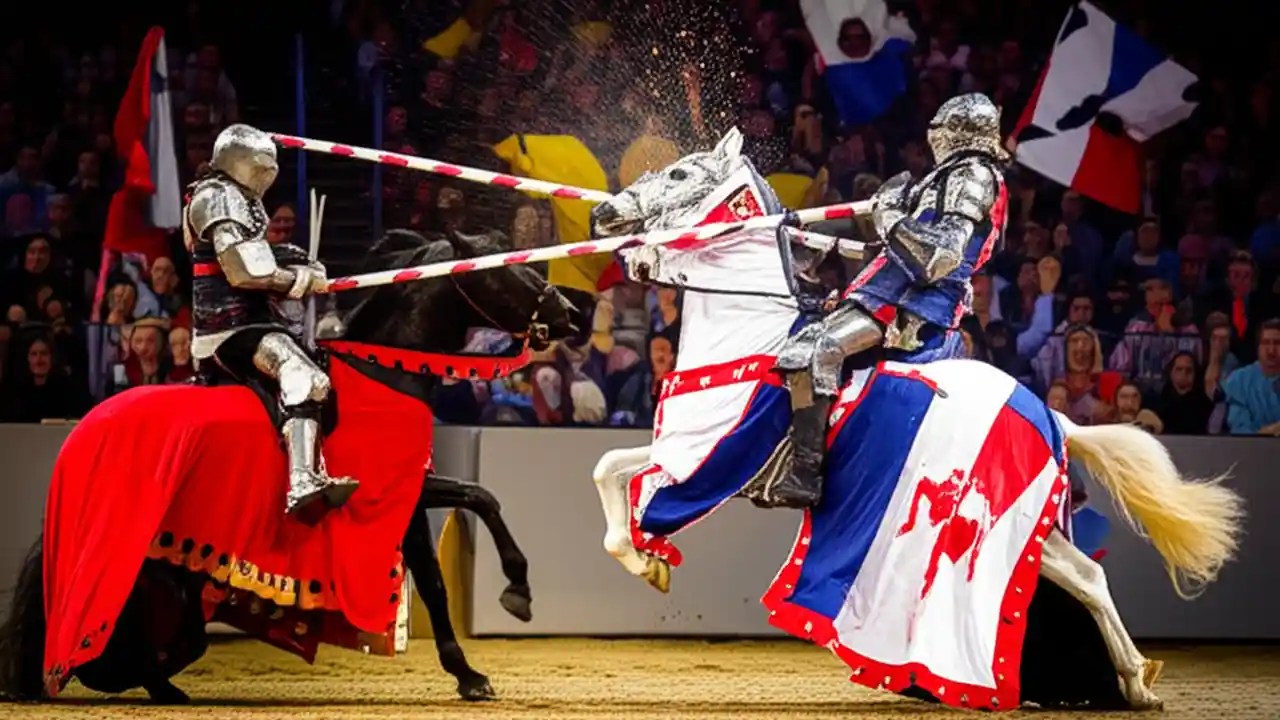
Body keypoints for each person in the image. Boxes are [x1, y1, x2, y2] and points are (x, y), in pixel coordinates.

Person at [770, 93, 1009, 508]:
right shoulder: (942, 178)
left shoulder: (973, 175)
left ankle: (805, 473)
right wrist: (805, 237)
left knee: (815, 350)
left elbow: (938, 259)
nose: (933, 136)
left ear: (957, 133)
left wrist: (891, 217)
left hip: (915, 304)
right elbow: (887, 249)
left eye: (940, 129)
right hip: (887, 291)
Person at [184, 124, 358, 517]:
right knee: (306, 376)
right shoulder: (217, 197)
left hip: (253, 323)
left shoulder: (240, 199)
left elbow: (261, 255)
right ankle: (301, 482)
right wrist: (297, 280)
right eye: (263, 166)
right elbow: (243, 271)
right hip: (230, 330)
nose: (269, 175)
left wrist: (297, 260)